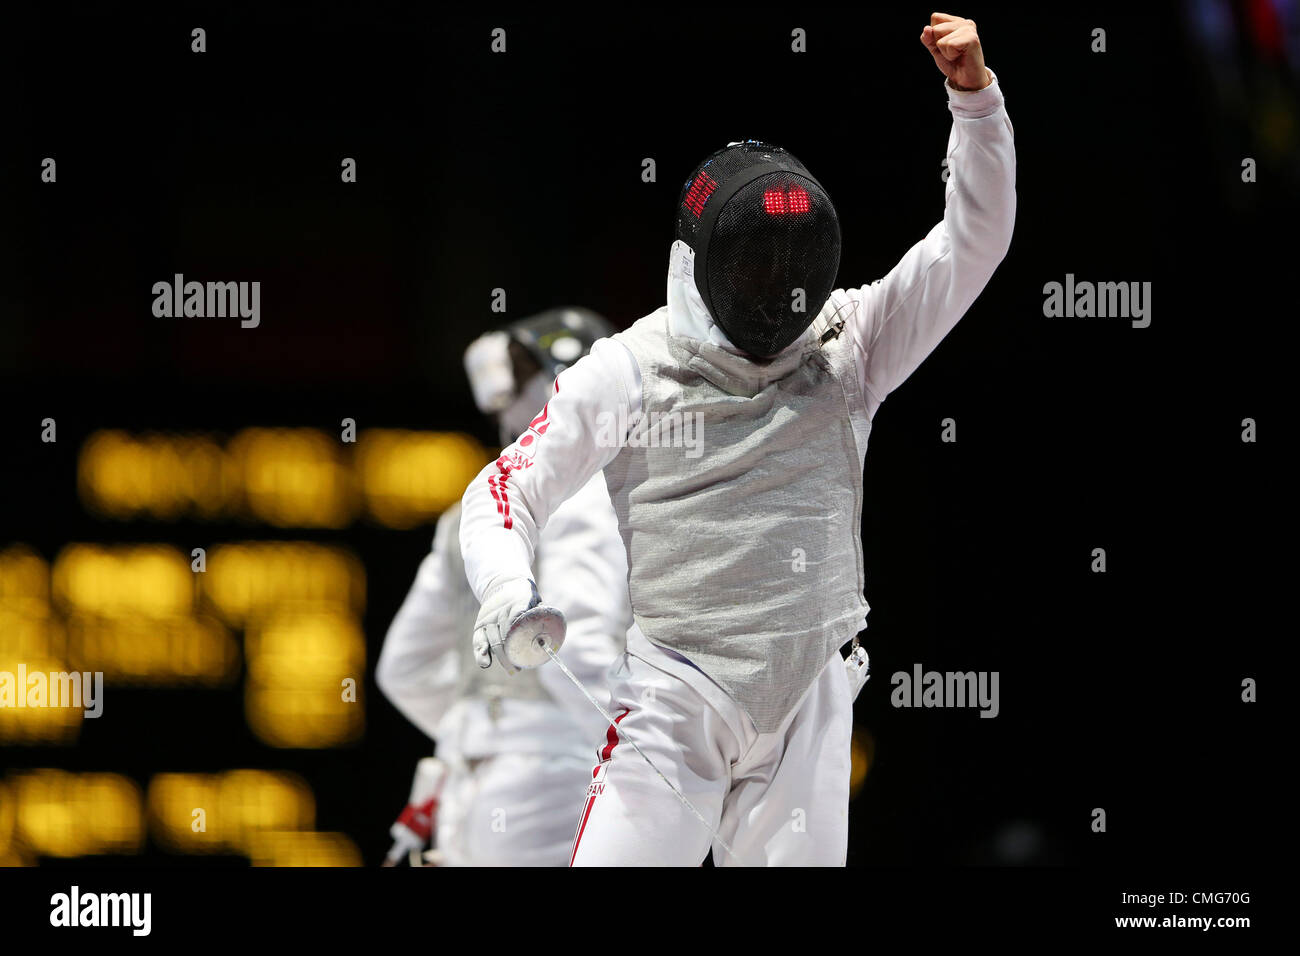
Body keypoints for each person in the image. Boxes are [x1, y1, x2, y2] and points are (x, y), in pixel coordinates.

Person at [460, 13, 1015, 866]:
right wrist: (505, 589)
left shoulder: (848, 341)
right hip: (674, 702)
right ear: (703, 263)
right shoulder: (630, 370)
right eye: (757, 266)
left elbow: (972, 242)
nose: (780, 290)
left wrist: (974, 105)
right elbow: (504, 492)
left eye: (794, 267)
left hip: (809, 703)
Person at [376, 307, 631, 866]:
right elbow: (579, 653)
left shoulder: (468, 514)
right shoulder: (586, 496)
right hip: (550, 779)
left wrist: (482, 729)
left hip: (464, 781)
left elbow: (404, 669)